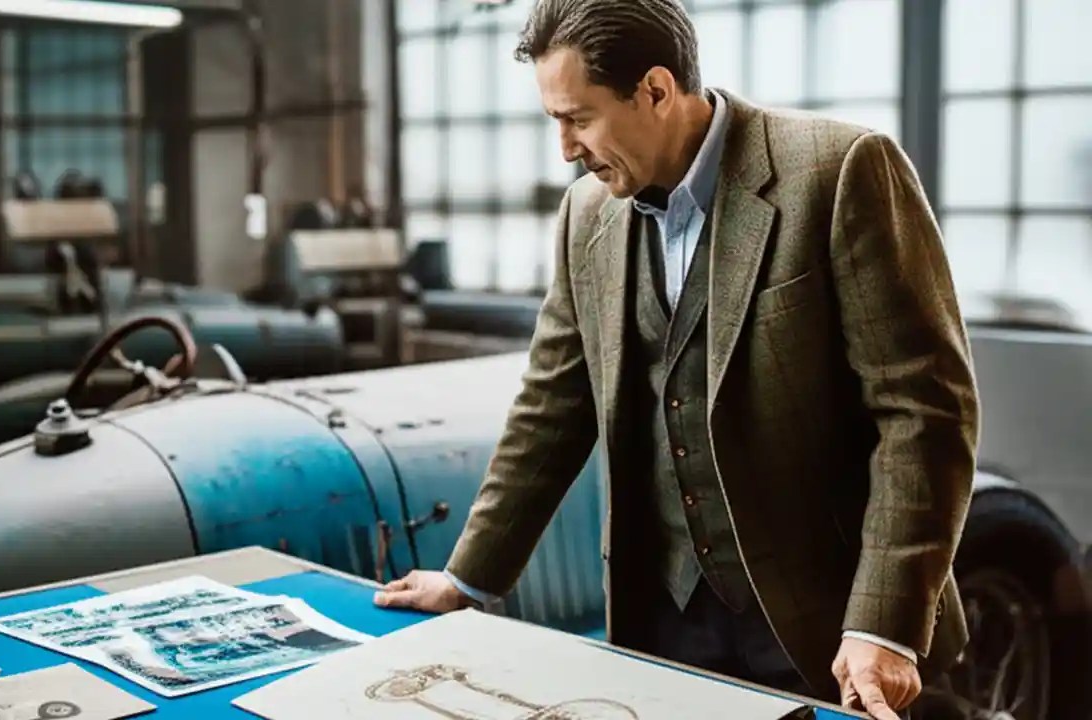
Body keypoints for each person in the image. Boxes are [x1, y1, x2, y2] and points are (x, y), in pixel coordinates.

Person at [373, 2, 979, 719]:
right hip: (663, 620)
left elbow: (924, 412)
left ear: (656, 91)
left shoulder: (841, 169)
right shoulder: (586, 215)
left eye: (579, 118)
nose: (565, 148)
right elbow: (551, 408)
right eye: (554, 121)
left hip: (828, 623)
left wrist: (883, 624)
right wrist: (468, 580)